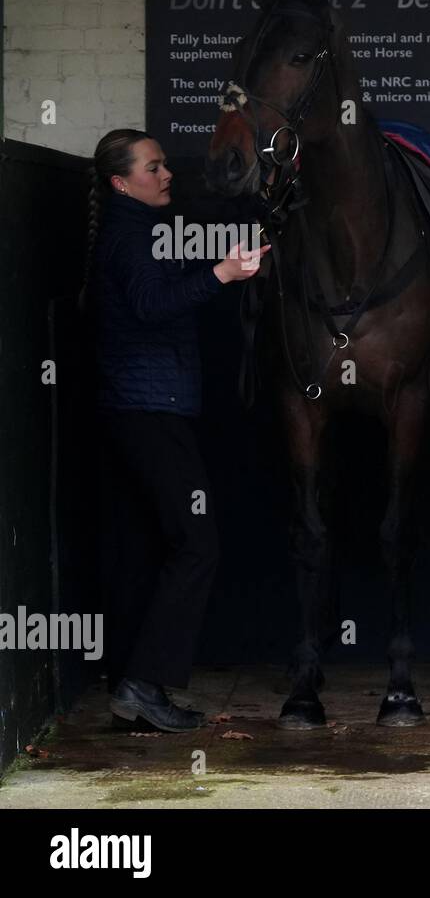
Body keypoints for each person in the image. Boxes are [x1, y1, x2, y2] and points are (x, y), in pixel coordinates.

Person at [82, 129, 268, 732]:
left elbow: (163, 288)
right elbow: (149, 305)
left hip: (142, 409)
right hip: (149, 412)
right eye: (153, 167)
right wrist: (220, 273)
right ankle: (140, 686)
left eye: (164, 164)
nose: (166, 174)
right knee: (197, 544)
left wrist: (221, 266)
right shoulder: (126, 234)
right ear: (120, 181)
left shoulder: (138, 231)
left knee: (146, 550)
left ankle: (131, 688)